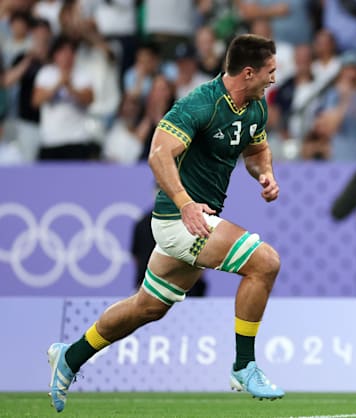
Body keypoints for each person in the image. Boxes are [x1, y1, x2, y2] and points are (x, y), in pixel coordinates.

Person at [47, 34, 284, 413]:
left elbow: (256, 150)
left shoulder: (255, 107)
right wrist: (186, 204)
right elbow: (158, 155)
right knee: (265, 262)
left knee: (148, 307)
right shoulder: (199, 104)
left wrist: (265, 175)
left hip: (199, 220)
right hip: (180, 221)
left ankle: (70, 356)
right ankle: (244, 366)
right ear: (249, 72)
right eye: (271, 71)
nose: (275, 78)